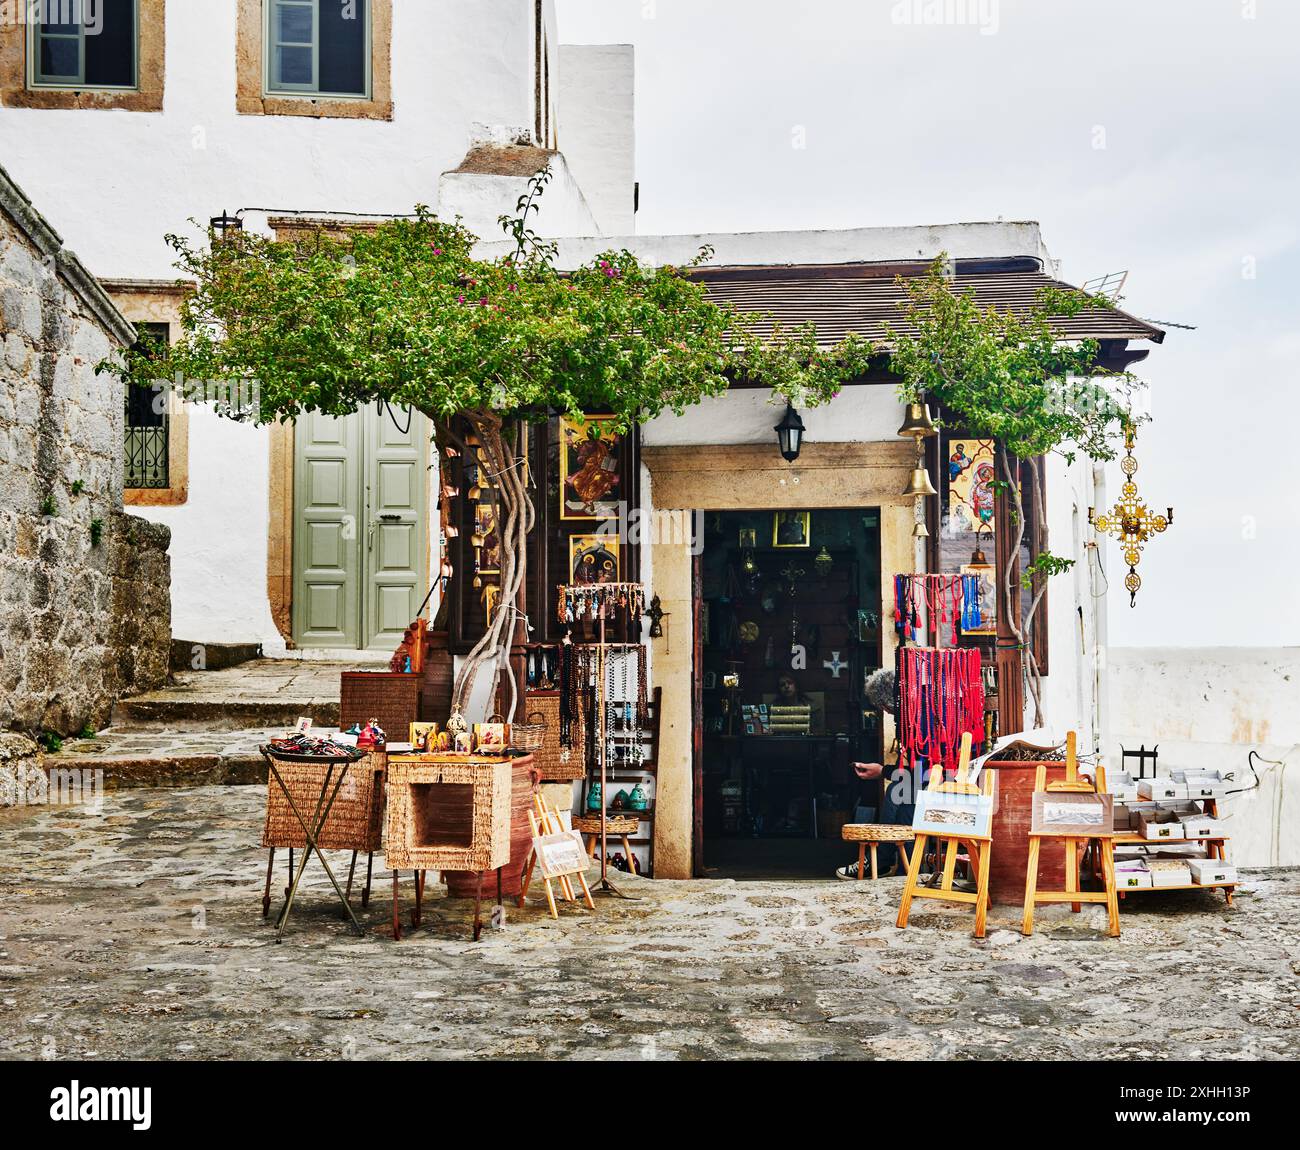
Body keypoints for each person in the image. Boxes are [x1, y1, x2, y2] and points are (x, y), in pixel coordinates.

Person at [835, 759, 920, 880]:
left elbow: (929, 773)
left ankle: (881, 859)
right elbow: (916, 772)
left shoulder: (932, 740)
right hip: (928, 787)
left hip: (948, 789)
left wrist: (882, 771)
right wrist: (882, 771)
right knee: (905, 810)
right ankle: (903, 872)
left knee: (896, 790)